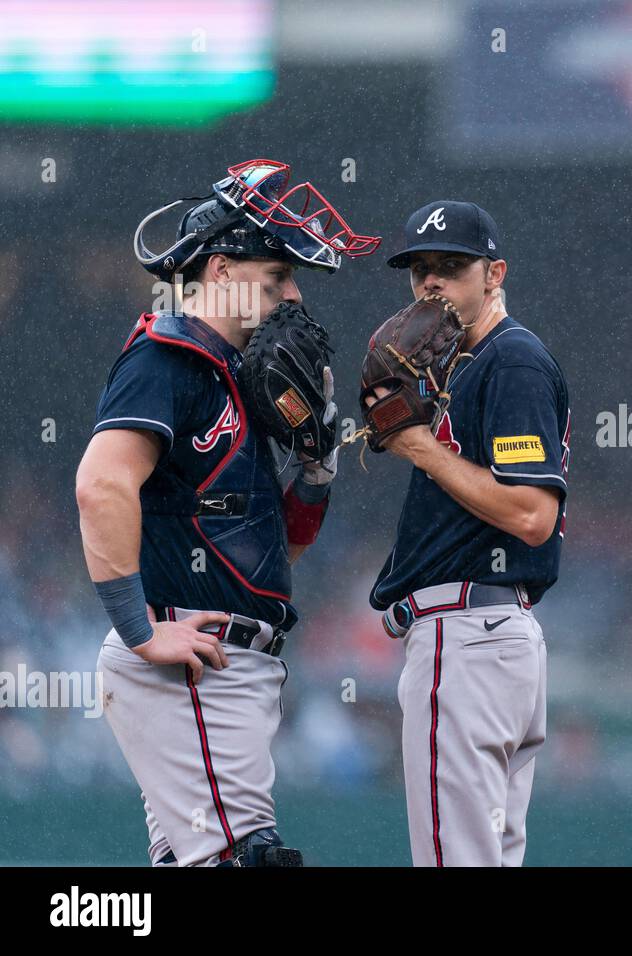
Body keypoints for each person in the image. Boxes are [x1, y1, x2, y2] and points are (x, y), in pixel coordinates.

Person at [76, 160, 377, 866]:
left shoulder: (237, 379)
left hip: (230, 664)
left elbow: (270, 552)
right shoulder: (168, 356)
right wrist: (139, 631)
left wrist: (316, 468)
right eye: (276, 279)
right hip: (191, 660)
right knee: (250, 860)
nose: (294, 296)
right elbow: (100, 485)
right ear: (220, 270)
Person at [367, 200, 571, 866]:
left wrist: (419, 448)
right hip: (489, 640)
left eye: (452, 268)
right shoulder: (454, 368)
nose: (432, 283)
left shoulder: (511, 362)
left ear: (495, 274)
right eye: (420, 269)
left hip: (466, 639)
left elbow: (532, 515)